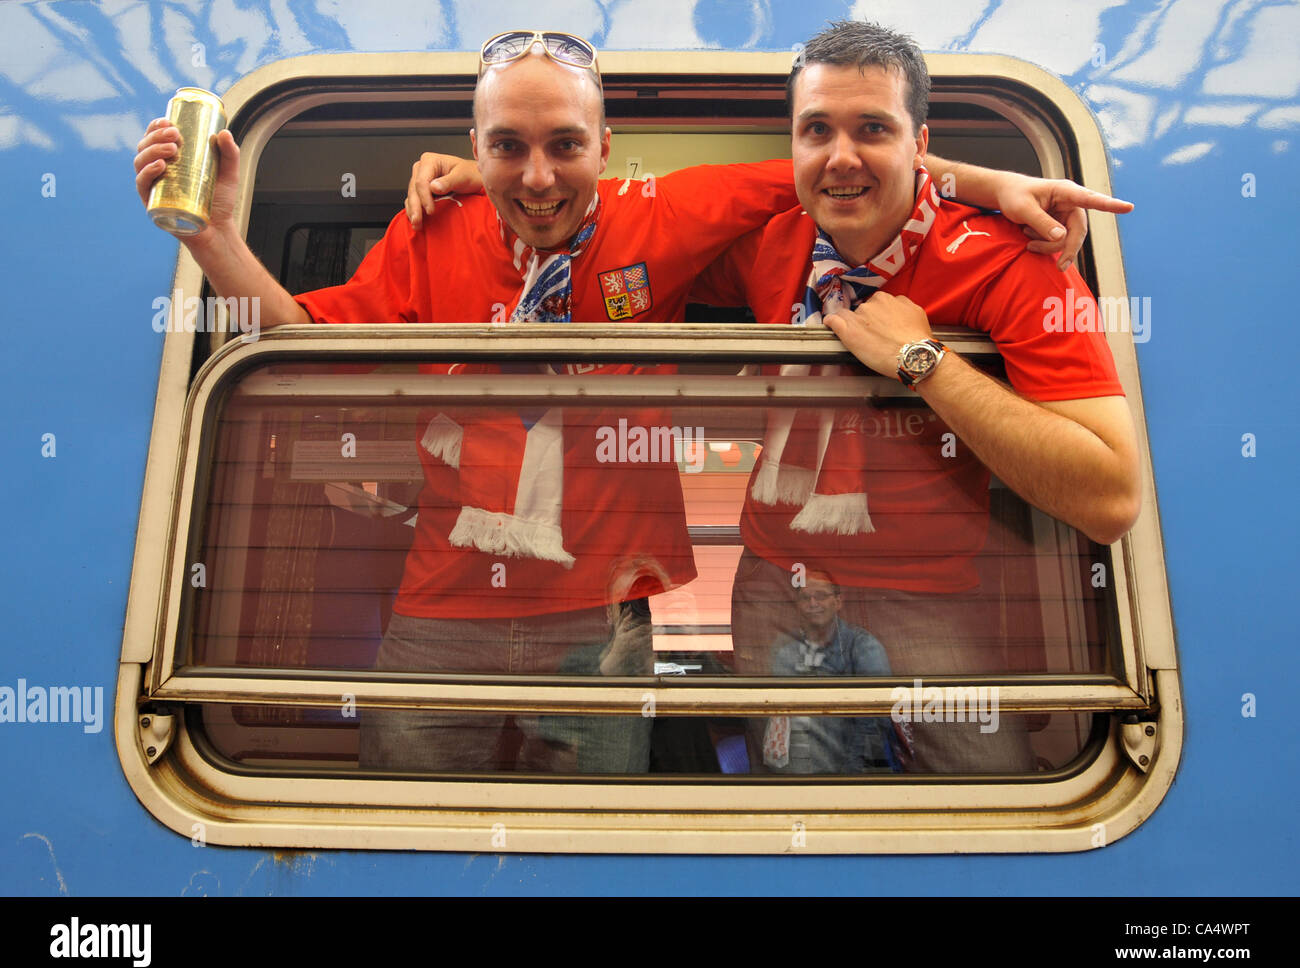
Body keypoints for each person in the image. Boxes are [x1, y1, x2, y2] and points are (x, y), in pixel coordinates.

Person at [133, 29, 802, 773]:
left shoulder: (662, 215)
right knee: (399, 830)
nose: (540, 177)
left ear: (605, 149)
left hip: (600, 622)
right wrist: (213, 236)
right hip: (442, 612)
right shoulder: (428, 233)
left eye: (565, 146)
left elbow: (839, 173)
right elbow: (301, 349)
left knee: (584, 845)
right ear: (476, 149)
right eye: (509, 147)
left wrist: (954, 181)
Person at [703, 20, 1142, 773]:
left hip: (925, 595)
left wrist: (924, 361)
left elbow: (1111, 494)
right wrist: (481, 178)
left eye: (874, 128)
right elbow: (602, 228)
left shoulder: (1013, 265)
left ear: (919, 143)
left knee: (989, 792)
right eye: (818, 131)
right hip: (775, 579)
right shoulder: (769, 244)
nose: (842, 157)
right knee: (791, 801)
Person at [760, 570, 902, 775]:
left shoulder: (862, 646)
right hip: (791, 776)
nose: (813, 603)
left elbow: (874, 720)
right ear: (797, 606)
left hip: (846, 775)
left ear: (838, 601)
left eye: (821, 596)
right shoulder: (784, 650)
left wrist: (847, 779)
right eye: (805, 597)